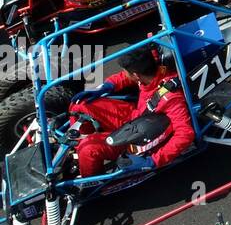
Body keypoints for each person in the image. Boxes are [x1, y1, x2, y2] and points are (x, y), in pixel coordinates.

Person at [68, 47, 195, 178]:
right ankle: (80, 155)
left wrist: (154, 161)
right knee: (79, 104)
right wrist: (106, 86)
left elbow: (185, 133)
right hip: (134, 116)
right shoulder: (155, 69)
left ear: (136, 75)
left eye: (126, 71)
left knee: (88, 149)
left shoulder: (171, 98)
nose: (124, 73)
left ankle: (90, 182)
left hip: (138, 137)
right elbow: (124, 77)